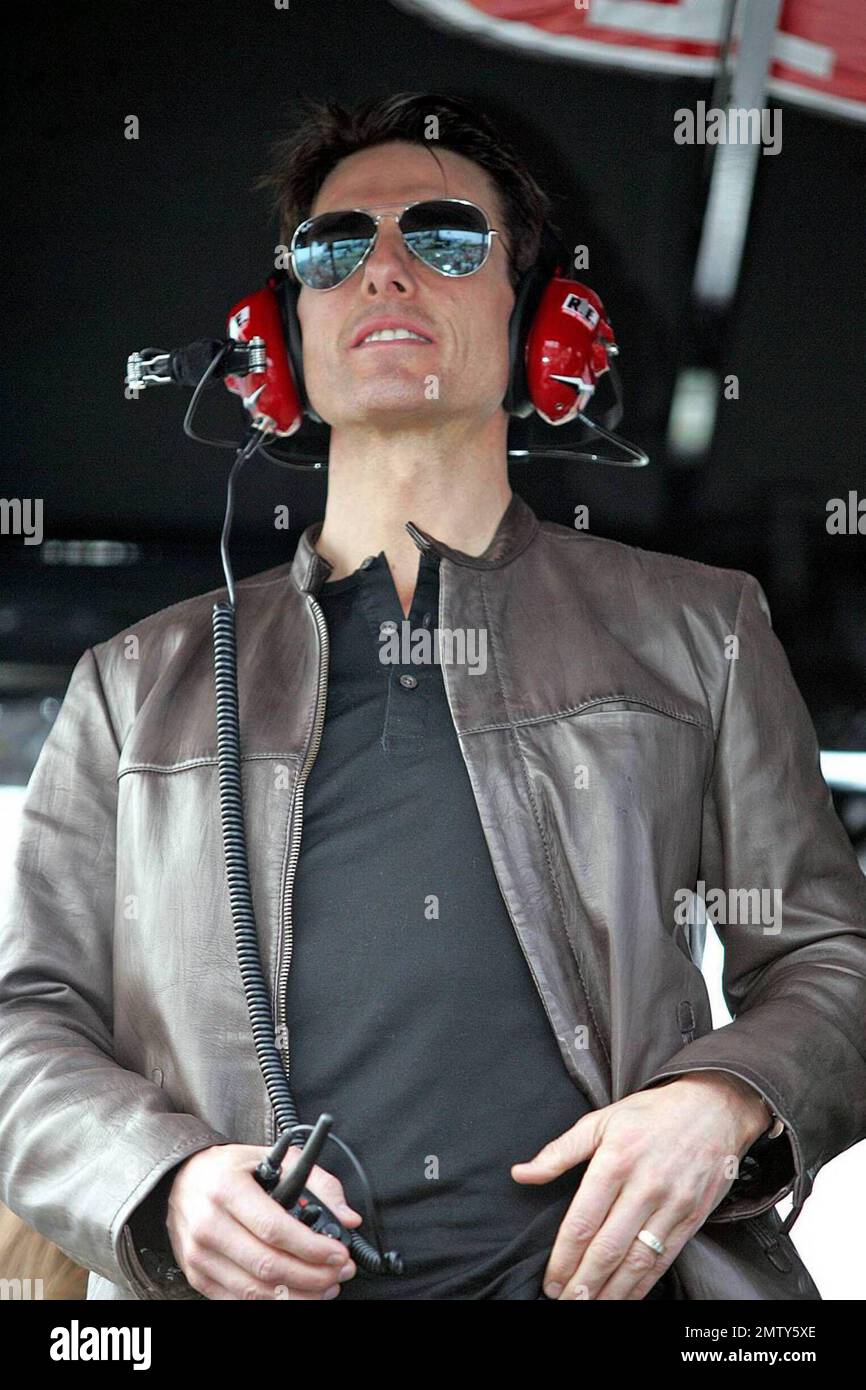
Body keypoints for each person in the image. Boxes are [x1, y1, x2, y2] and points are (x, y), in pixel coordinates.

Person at [1, 93, 865, 1302]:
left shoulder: (699, 628)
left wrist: (722, 1100)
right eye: (333, 246)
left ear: (543, 319)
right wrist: (163, 1177)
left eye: (447, 239)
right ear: (279, 330)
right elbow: (26, 1021)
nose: (387, 271)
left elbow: (833, 955)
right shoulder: (132, 682)